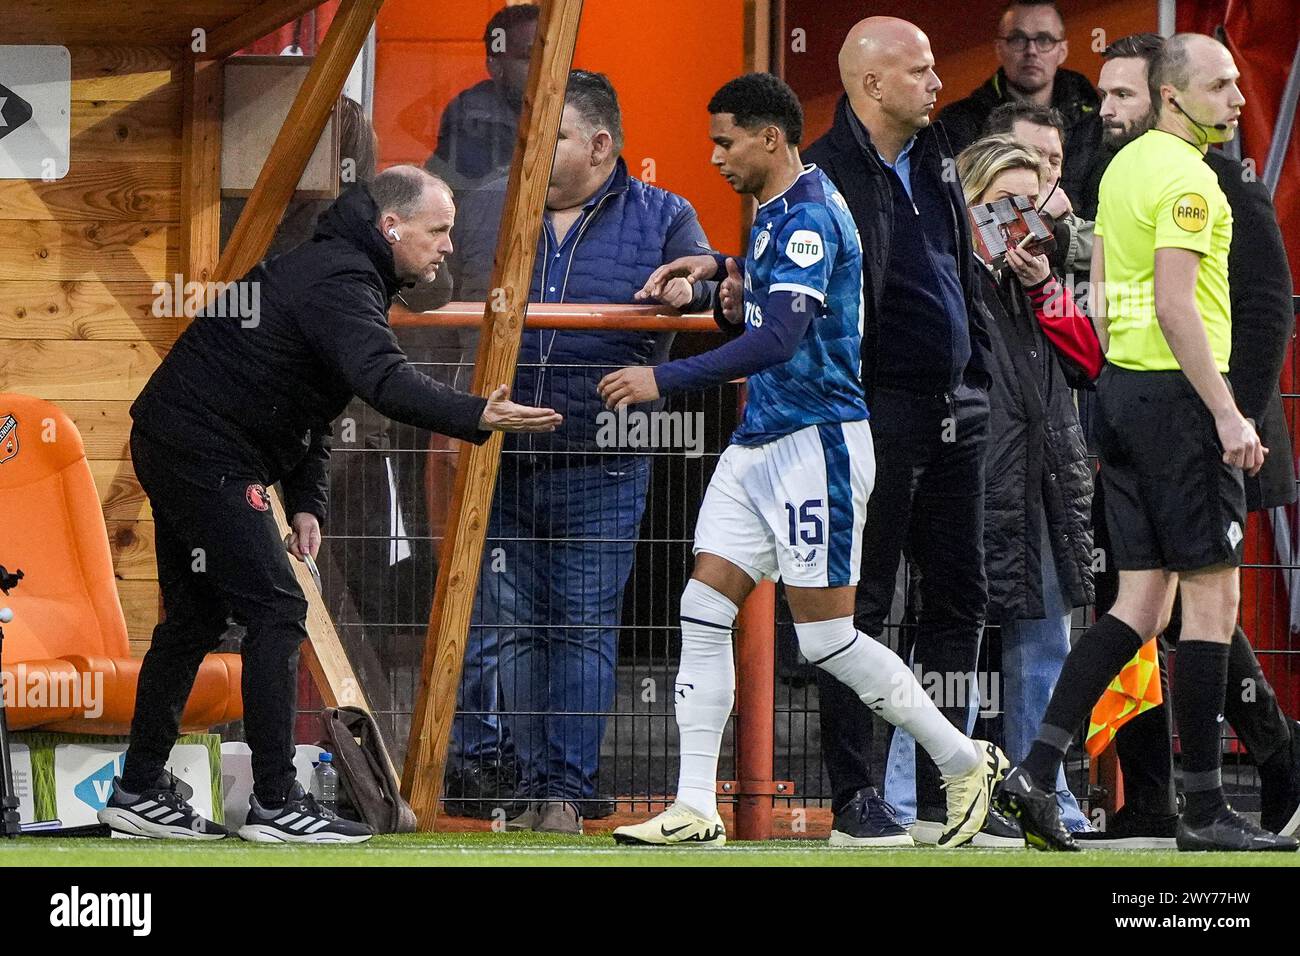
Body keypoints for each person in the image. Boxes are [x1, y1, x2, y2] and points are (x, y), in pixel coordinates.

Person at [602, 71, 1007, 849]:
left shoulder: (810, 215)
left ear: (769, 138)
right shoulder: (780, 210)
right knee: (702, 607)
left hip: (814, 445)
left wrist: (664, 377)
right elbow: (782, 293)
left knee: (826, 640)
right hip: (760, 444)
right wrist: (718, 268)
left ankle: (964, 761)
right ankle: (694, 804)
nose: (715, 156)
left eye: (724, 141)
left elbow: (781, 337)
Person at [98, 166, 561, 844]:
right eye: (438, 231)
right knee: (278, 608)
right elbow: (382, 380)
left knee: (196, 616)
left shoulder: (340, 270)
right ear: (390, 226)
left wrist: (307, 502)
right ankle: (275, 803)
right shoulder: (342, 279)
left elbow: (316, 398)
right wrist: (477, 413)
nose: (447, 247)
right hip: (203, 448)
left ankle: (138, 791)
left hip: (179, 439)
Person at [994, 34, 1298, 853]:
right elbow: (1175, 304)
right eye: (1221, 85)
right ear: (1174, 97)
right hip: (1177, 401)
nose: (1238, 99)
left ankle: (1034, 766)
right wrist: (1229, 415)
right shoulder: (1190, 179)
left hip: (1121, 398)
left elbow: (1104, 288)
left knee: (1139, 604)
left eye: (1240, 83)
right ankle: (1204, 809)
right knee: (1212, 603)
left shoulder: (1123, 167)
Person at [442, 71, 717, 834]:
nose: (530, 147)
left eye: (550, 135)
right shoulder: (489, 206)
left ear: (600, 145)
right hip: (499, 452)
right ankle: (533, 787)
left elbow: (715, 279)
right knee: (514, 626)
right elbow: (435, 289)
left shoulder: (666, 214)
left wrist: (696, 286)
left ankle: (565, 788)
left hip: (604, 462)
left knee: (583, 626)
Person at [799, 16, 998, 847]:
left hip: (957, 408)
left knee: (961, 598)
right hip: (871, 414)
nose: (936, 82)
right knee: (863, 604)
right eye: (918, 70)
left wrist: (976, 371)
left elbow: (955, 264)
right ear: (870, 83)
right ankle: (857, 799)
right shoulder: (820, 170)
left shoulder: (940, 152)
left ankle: (948, 793)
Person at [959, 134, 1102, 834]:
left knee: (1045, 642)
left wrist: (1043, 285)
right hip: (972, 479)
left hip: (1045, 482)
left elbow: (1090, 360)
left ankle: (1044, 789)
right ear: (968, 206)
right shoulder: (950, 275)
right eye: (998, 204)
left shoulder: (1043, 279)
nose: (1016, 222)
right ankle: (934, 793)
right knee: (951, 643)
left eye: (1027, 205)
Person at [938, 0, 1102, 215]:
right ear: (999, 48)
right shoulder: (957, 122)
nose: (1031, 50)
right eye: (1018, 39)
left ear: (1062, 50)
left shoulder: (1097, 119)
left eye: (1044, 39)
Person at [425, 4, 538, 190]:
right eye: (528, 57)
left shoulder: (575, 112)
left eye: (548, 58)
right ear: (496, 67)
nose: (541, 67)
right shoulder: (466, 132)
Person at [983, 101, 1092, 281]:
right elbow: (991, 260)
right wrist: (1041, 217)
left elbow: (1115, 250)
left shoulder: (1063, 216)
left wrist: (1056, 231)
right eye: (1033, 155)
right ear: (994, 154)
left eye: (1055, 161)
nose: (1047, 170)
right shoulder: (967, 202)